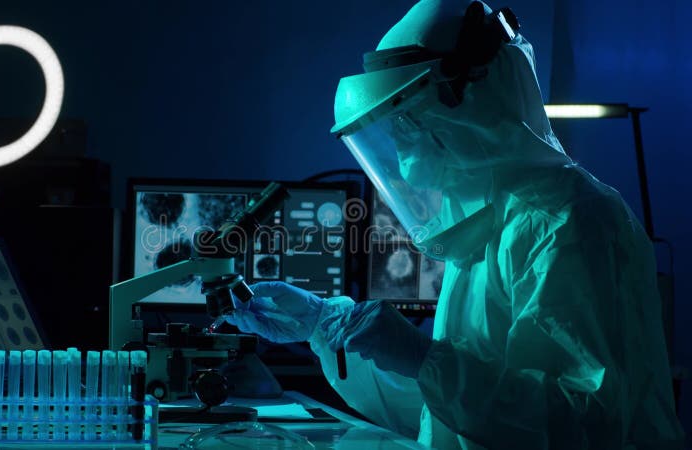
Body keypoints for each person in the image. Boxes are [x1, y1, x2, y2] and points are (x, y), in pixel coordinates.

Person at [227, 1, 685, 448]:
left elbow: (580, 424)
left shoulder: (565, 222)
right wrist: (324, 323)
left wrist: (422, 356)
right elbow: (448, 416)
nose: (401, 141)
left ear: (471, 98)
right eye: (394, 124)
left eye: (408, 117)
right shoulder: (491, 222)